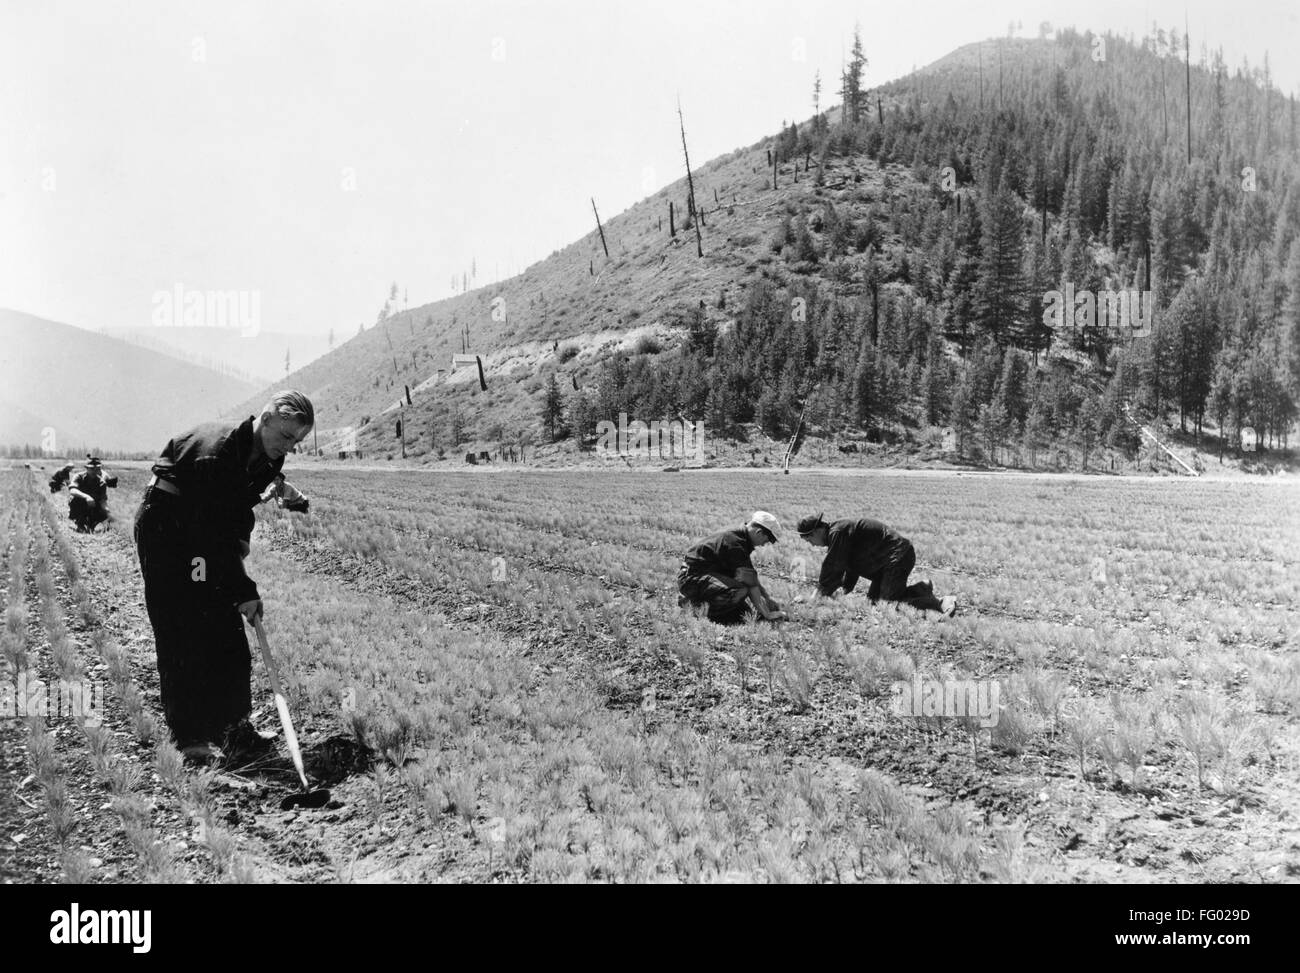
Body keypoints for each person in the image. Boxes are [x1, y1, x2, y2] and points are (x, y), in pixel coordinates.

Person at [134, 391, 315, 763]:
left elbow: (236, 509)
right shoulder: (215, 455)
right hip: (167, 526)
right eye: (285, 436)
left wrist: (240, 544)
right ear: (264, 420)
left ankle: (233, 728)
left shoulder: (268, 456)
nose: (289, 447)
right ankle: (190, 737)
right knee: (180, 628)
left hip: (203, 526)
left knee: (224, 626)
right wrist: (243, 587)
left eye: (296, 441)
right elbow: (211, 536)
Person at [796, 512, 957, 616]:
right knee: (873, 603)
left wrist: (814, 598)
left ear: (817, 531)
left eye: (809, 539)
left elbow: (833, 567)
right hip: (888, 563)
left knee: (888, 607)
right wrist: (845, 590)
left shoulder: (837, 533)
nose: (811, 544)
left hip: (897, 558)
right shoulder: (839, 533)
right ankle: (921, 588)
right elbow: (850, 566)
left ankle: (938, 603)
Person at [677, 511, 788, 625]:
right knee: (738, 592)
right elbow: (749, 582)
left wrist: (767, 599)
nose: (764, 544)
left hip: (704, 576)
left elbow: (750, 576)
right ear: (759, 532)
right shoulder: (735, 542)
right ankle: (694, 607)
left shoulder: (739, 536)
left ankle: (698, 602)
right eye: (766, 541)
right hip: (692, 578)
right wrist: (767, 614)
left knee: (743, 613)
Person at [68, 457, 117, 532]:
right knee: (75, 499)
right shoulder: (78, 476)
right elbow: (72, 490)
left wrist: (108, 513)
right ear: (86, 468)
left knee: (104, 514)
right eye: (92, 469)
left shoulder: (102, 483)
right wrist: (87, 497)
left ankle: (91, 524)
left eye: (97, 469)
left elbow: (102, 501)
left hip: (93, 506)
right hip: (80, 505)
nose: (94, 471)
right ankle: (79, 523)